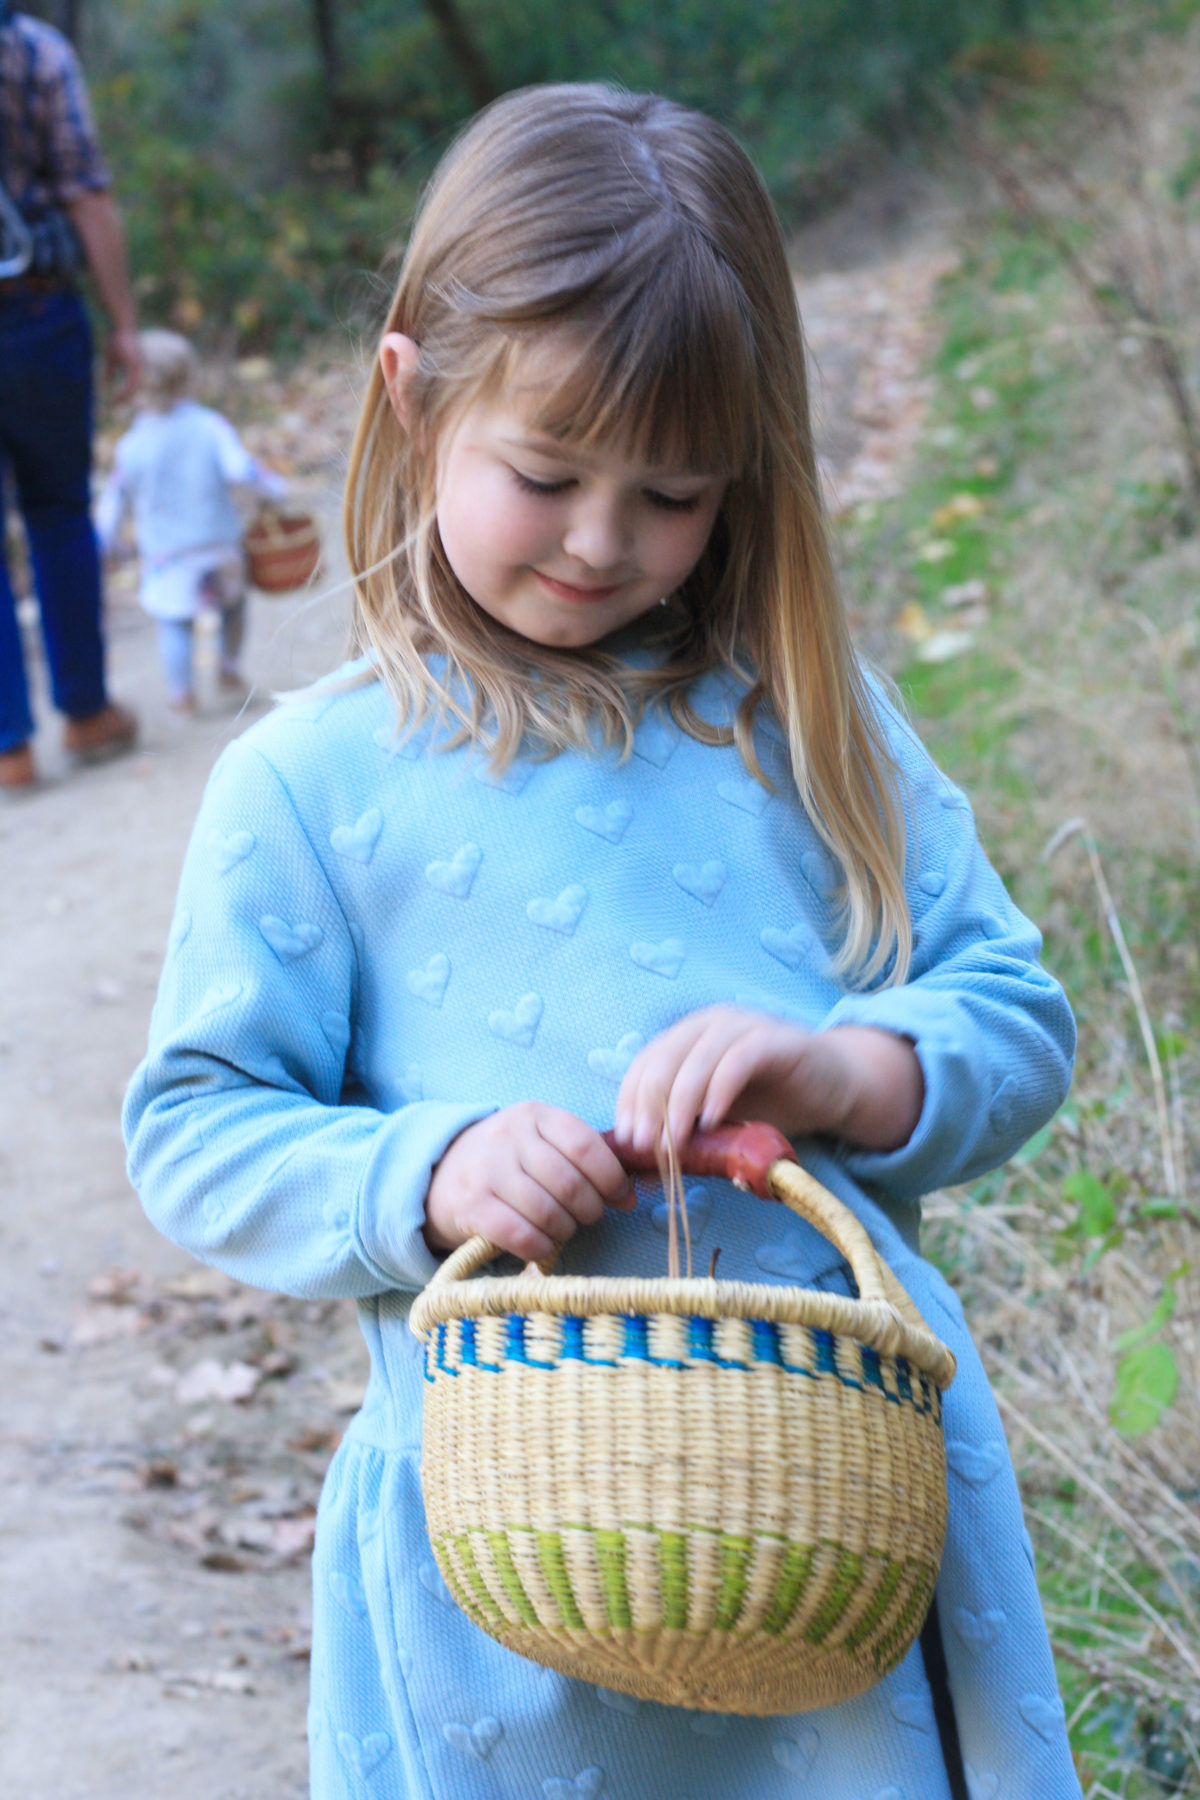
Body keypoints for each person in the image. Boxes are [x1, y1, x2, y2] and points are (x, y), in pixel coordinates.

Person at [124, 84, 1083, 1800]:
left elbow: (1013, 1010)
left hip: (831, 1537)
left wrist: (848, 1071)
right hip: (504, 1573)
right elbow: (195, 1128)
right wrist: (425, 1173)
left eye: (672, 494)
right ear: (413, 402)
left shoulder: (801, 725)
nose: (600, 541)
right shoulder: (312, 786)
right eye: (547, 472)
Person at [0, 1, 139, 790]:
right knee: (58, 512)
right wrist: (123, 320)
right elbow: (87, 191)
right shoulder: (33, 51)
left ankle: (8, 745)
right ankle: (86, 712)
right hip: (37, 310)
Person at [96, 328, 287, 714]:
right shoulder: (209, 426)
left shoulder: (131, 446)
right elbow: (240, 470)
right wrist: (275, 489)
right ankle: (229, 667)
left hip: (166, 557)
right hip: (218, 545)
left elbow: (113, 501)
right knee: (232, 608)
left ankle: (182, 694)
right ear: (190, 377)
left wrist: (106, 542)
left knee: (175, 624)